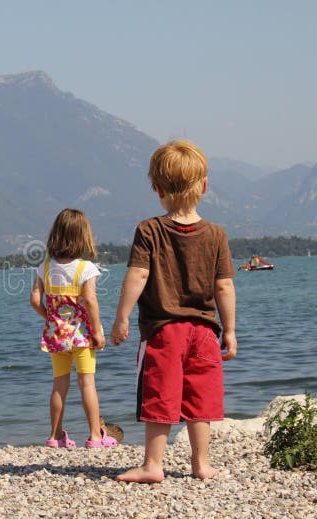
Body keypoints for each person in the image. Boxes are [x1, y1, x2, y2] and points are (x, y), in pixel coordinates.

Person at [109, 140, 237, 483]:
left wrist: (121, 317)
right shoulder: (216, 235)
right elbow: (224, 286)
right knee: (201, 398)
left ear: (157, 188)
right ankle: (202, 464)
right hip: (206, 333)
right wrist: (231, 330)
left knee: (160, 395)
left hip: (164, 331)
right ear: (205, 186)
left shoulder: (149, 229)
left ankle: (153, 465)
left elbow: (137, 275)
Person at [30, 208, 117, 449]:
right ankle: (95, 437)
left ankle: (55, 436)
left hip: (56, 337)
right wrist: (98, 331)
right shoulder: (85, 269)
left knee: (59, 384)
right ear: (83, 236)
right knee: (87, 383)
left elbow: (35, 300)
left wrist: (50, 317)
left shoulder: (45, 267)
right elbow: (90, 301)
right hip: (81, 338)